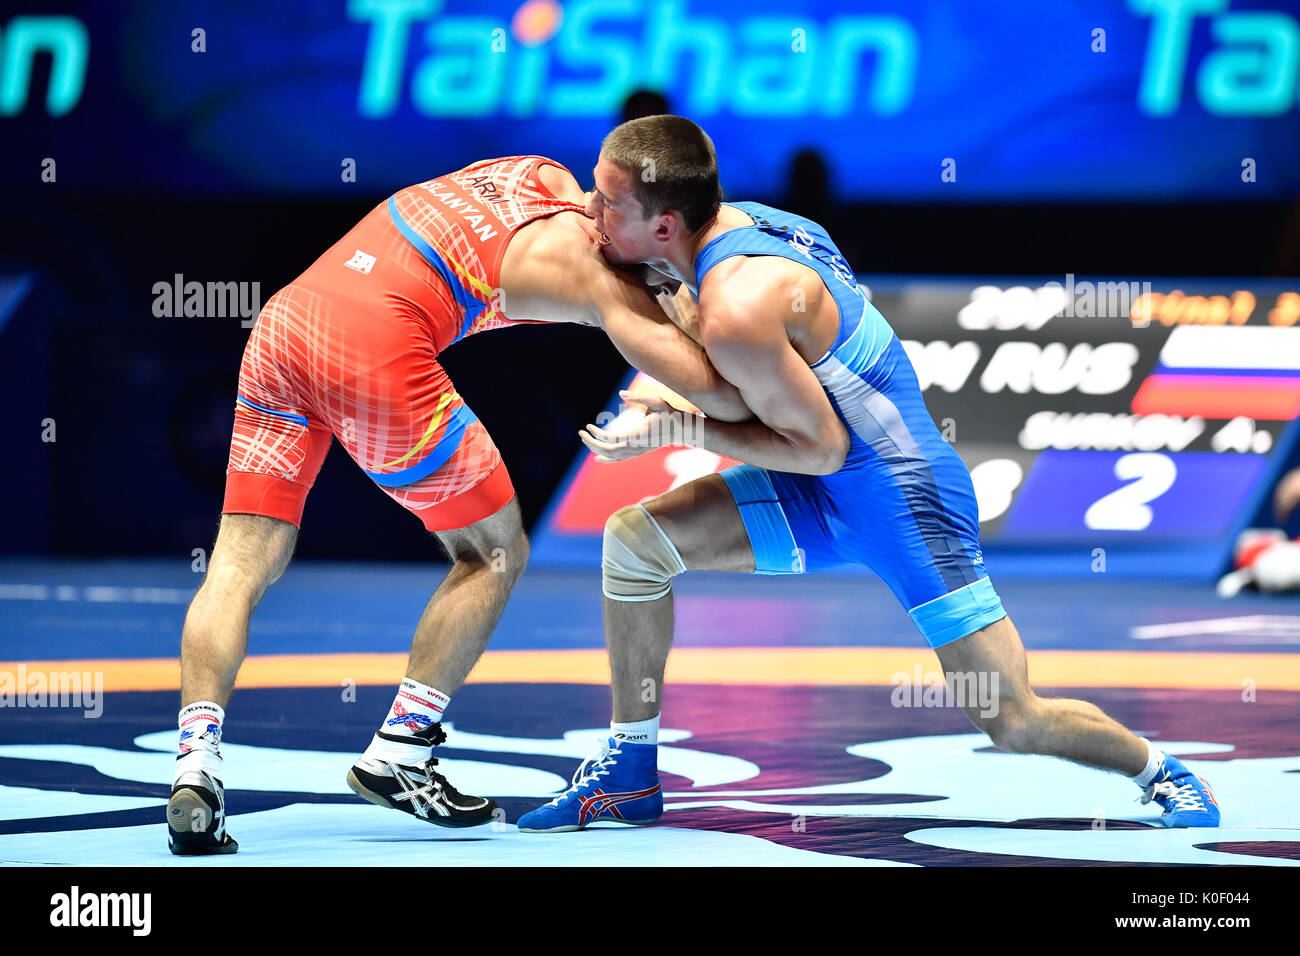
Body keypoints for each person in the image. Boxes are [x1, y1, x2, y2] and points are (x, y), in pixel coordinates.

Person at [516, 117, 1222, 833]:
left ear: (667, 225)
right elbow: (714, 355)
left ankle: (1161, 773)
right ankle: (631, 770)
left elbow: (818, 446)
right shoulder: (754, 228)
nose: (586, 209)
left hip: (903, 497)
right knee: (635, 544)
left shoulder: (741, 304)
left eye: (608, 203)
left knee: (1010, 719)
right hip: (824, 481)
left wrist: (675, 425)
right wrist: (661, 393)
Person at [168, 154, 750, 854]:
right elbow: (716, 385)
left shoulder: (529, 170)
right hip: (376, 350)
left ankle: (196, 764)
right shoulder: (600, 277)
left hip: (287, 324)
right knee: (493, 553)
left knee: (238, 560)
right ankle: (402, 750)